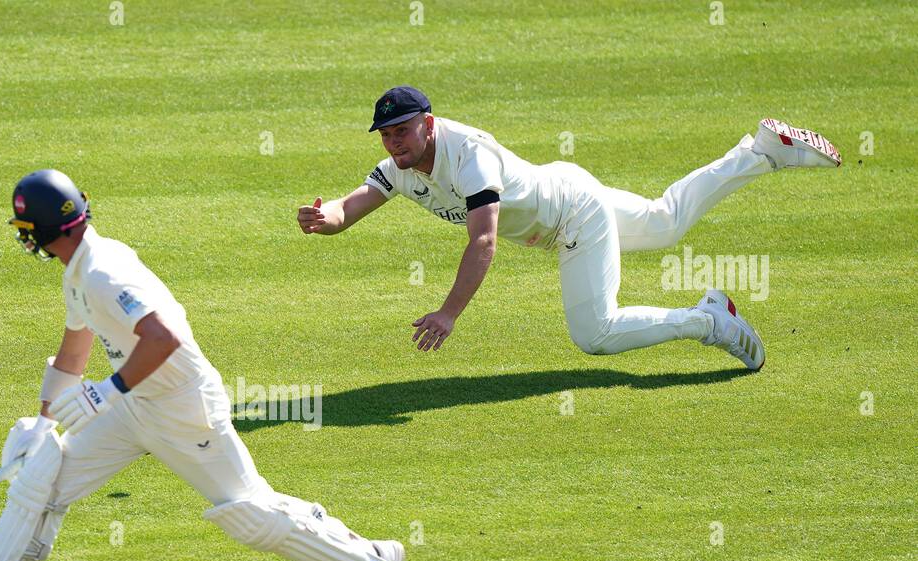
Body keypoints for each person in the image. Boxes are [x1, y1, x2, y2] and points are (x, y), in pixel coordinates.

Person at [0, 169, 406, 561]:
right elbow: (72, 354)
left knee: (249, 513)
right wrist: (44, 423)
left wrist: (105, 391)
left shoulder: (105, 271)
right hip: (134, 403)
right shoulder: (78, 272)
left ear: (41, 234)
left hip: (181, 408)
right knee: (40, 483)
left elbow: (164, 339)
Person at [298, 85, 842, 369]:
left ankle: (708, 321)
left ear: (429, 124)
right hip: (566, 190)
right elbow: (355, 205)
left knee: (595, 334)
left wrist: (448, 312)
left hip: (572, 217)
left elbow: (483, 240)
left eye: (403, 130)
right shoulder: (400, 168)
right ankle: (763, 152)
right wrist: (327, 219)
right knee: (666, 221)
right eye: (386, 134)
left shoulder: (470, 159)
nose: (394, 142)